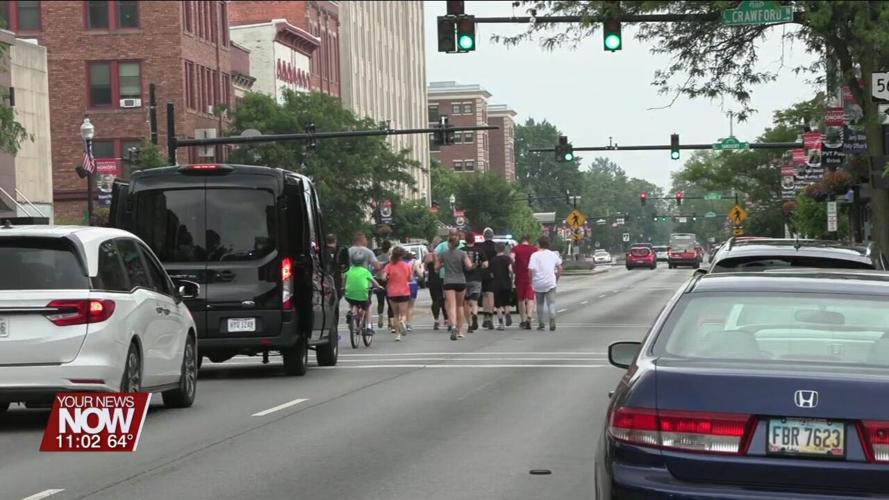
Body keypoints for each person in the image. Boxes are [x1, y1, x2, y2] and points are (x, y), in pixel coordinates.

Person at [437, 234, 474, 340]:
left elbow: (436, 267)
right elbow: (469, 266)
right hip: (460, 280)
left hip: (448, 281)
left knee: (451, 305)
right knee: (460, 306)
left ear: (449, 243)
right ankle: (460, 331)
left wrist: (443, 265)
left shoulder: (444, 254)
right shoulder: (462, 254)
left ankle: (453, 325)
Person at [528, 236, 563, 331]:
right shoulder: (552, 255)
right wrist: (556, 278)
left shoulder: (534, 255)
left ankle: (541, 323)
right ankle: (552, 318)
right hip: (550, 282)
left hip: (538, 282)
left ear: (539, 244)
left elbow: (530, 270)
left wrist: (531, 281)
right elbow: (560, 268)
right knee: (551, 303)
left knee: (539, 304)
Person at [383, 246, 413, 341]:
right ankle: (402, 322)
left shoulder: (389, 266)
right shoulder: (406, 265)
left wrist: (388, 278)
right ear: (402, 255)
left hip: (392, 292)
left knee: (395, 314)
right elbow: (410, 279)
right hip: (404, 291)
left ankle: (397, 335)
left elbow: (383, 278)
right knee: (403, 313)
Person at [343, 262, 379, 335]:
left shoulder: (348, 271)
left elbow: (344, 284)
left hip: (350, 294)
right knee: (368, 306)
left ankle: (351, 312)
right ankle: (369, 327)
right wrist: (379, 287)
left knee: (352, 301)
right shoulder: (365, 271)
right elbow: (375, 283)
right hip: (362, 295)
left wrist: (343, 288)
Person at [511, 235, 538, 330]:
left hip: (519, 277)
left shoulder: (516, 248)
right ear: (529, 240)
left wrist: (514, 266)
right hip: (531, 277)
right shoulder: (534, 249)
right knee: (530, 298)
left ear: (521, 240)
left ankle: (522, 320)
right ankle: (529, 317)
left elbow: (512, 258)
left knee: (521, 299)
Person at [463, 233, 484, 332]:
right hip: (476, 278)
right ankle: (475, 314)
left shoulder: (461, 251)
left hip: (464, 279)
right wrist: (479, 265)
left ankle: (470, 325)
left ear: (465, 240)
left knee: (466, 302)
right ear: (474, 240)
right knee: (474, 301)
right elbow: (486, 264)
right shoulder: (479, 250)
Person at [425, 238, 448, 330]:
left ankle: (436, 320)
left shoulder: (428, 256)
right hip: (442, 277)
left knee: (435, 300)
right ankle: (446, 319)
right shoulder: (443, 255)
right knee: (444, 299)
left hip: (432, 279)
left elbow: (425, 267)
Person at [478, 227, 498, 330]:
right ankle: (490, 315)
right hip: (493, 272)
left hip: (482, 272)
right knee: (491, 294)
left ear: (484, 236)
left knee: (485, 294)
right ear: (492, 235)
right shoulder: (495, 246)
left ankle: (485, 315)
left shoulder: (480, 247)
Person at [490, 242, 514, 330]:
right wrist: (511, 279)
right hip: (506, 283)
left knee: (498, 305)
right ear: (504, 249)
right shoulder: (508, 259)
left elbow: (491, 273)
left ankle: (501, 324)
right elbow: (510, 270)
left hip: (496, 284)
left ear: (496, 249)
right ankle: (507, 313)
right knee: (506, 303)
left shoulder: (493, 260)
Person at [374, 240, 394, 332]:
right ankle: (390, 322)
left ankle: (380, 315)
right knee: (390, 302)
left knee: (380, 301)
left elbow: (374, 269)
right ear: (389, 248)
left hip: (378, 280)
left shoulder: (377, 258)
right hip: (388, 280)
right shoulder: (391, 258)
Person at [404, 251, 424, 332]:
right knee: (410, 306)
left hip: (403, 285)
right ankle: (408, 324)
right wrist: (421, 269)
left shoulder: (400, 263)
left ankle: (402, 322)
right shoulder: (414, 263)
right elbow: (421, 275)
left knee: (403, 305)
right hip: (412, 284)